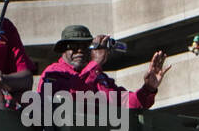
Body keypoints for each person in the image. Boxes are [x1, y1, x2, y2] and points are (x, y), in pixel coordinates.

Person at [40, 25, 169, 109]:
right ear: (63, 50)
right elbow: (71, 98)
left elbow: (128, 103)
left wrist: (148, 89)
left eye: (85, 46)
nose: (79, 50)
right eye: (73, 46)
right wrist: (95, 65)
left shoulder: (100, 78)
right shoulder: (53, 73)